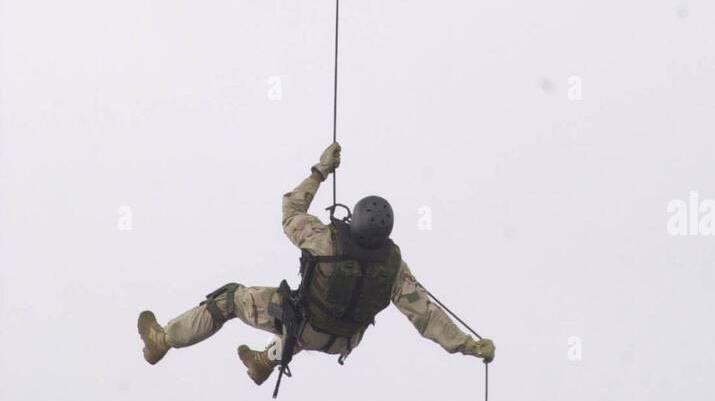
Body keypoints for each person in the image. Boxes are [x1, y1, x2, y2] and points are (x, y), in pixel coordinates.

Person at [137, 143, 495, 387]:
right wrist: (467, 345)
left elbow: (291, 210)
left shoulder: (325, 240)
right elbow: (427, 316)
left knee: (232, 299)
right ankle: (264, 362)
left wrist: (321, 170)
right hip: (342, 341)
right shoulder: (393, 268)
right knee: (300, 311)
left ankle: (163, 339)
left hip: (305, 324)